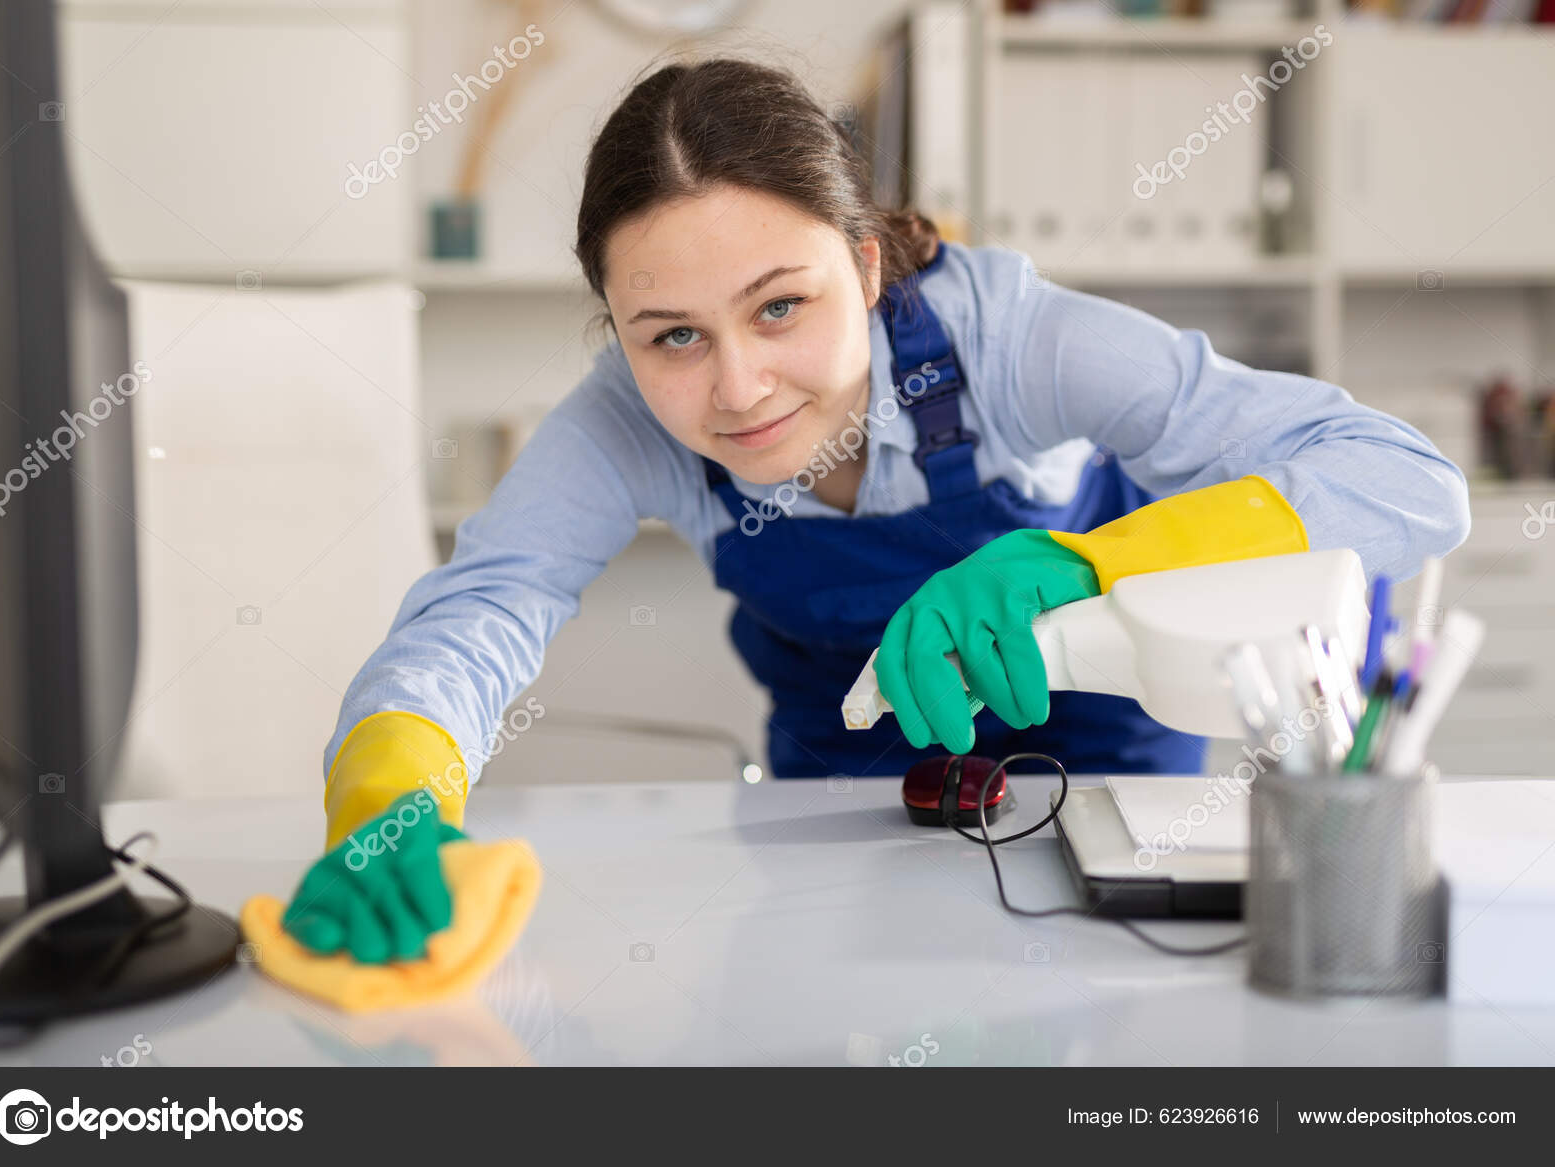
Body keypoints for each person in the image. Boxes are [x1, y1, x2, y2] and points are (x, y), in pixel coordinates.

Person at [282, 58, 1470, 963]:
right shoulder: (620, 422)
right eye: (673, 336)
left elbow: (1405, 481)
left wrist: (1088, 564)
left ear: (861, 268)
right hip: (846, 814)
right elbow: (485, 608)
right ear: (617, 330)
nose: (739, 387)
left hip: (1114, 817)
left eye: (780, 307)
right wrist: (389, 790)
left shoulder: (1008, 339)